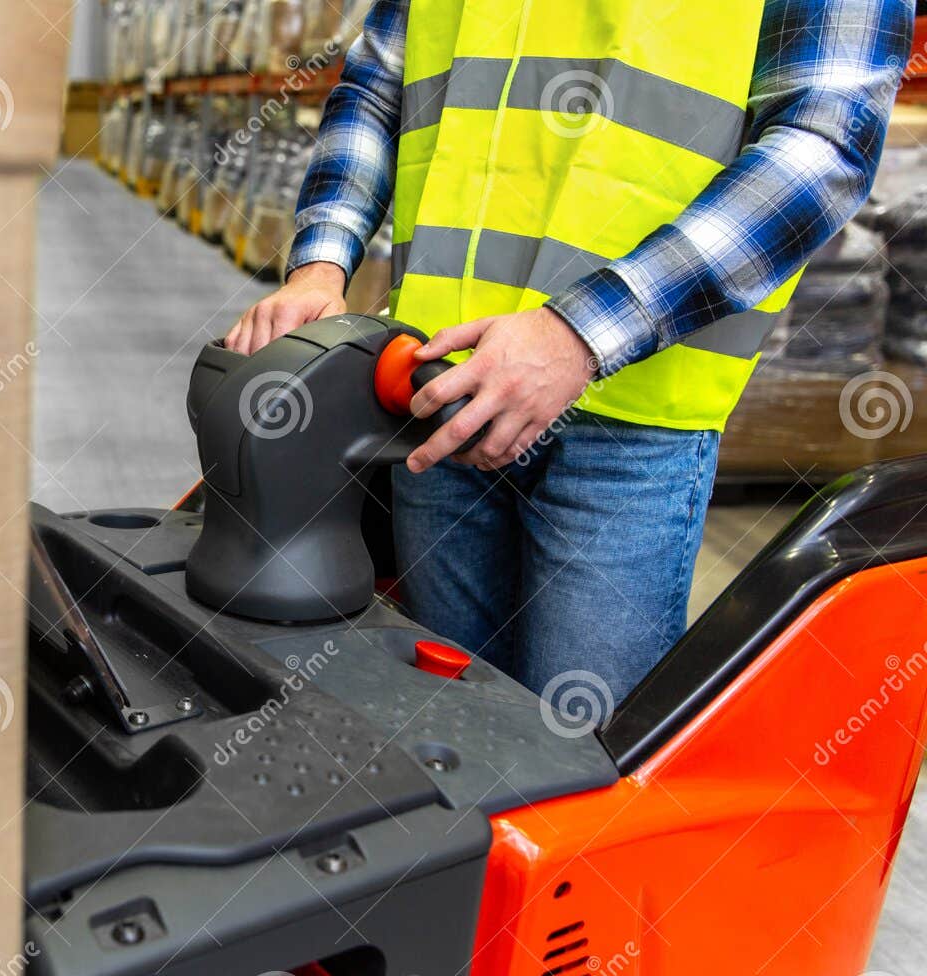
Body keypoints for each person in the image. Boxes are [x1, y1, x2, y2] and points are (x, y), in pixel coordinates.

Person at [225, 0, 912, 712]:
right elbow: (377, 86)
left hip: (631, 417)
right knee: (444, 731)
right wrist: (322, 261)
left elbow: (823, 144)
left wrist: (580, 332)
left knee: (573, 754)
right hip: (439, 390)